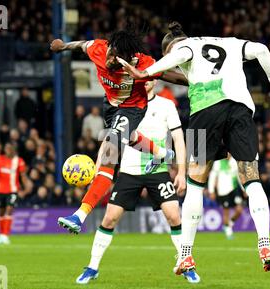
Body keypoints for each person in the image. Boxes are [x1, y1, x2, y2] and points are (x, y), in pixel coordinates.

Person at [119, 22, 270, 277]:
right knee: (252, 180)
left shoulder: (184, 47)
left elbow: (180, 55)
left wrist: (146, 73)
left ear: (168, 50)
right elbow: (262, 50)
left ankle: (186, 254)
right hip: (241, 111)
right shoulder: (230, 42)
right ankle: (264, 244)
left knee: (196, 184)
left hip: (205, 114)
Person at [50, 28, 188, 235]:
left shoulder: (143, 63)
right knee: (128, 137)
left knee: (107, 153)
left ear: (128, 58)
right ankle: (162, 154)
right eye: (110, 53)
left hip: (133, 108)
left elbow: (170, 75)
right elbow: (80, 45)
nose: (110, 59)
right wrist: (63, 47)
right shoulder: (99, 48)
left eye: (116, 57)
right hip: (111, 106)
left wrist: (195, 80)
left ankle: (79, 215)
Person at [76, 80, 199, 284]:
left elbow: (178, 138)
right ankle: (92, 267)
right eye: (143, 78)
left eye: (150, 78)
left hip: (157, 169)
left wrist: (181, 172)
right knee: (109, 218)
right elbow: (111, 138)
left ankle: (186, 263)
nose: (147, 82)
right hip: (129, 170)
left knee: (174, 215)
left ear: (156, 80)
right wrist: (99, 166)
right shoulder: (125, 106)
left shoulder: (166, 105)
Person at [0, 143, 27, 244]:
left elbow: (23, 175)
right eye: (6, 148)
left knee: (9, 209)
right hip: (1, 190)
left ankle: (6, 235)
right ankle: (1, 235)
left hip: (13, 190)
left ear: (13, 150)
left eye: (9, 148)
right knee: (1, 212)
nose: (7, 150)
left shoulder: (19, 161)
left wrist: (24, 188)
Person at [208, 155, 245, 240]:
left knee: (239, 210)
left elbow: (238, 176)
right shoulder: (218, 162)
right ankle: (228, 232)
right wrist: (211, 191)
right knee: (226, 212)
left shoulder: (234, 161)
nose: (228, 154)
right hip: (223, 191)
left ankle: (230, 223)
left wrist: (243, 188)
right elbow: (213, 176)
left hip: (234, 189)